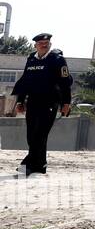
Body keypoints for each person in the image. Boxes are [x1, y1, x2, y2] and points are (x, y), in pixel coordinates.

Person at [11, 33, 72, 176]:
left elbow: (65, 84)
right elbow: (25, 81)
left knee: (40, 135)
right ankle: (40, 166)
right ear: (35, 45)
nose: (44, 45)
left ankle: (27, 165)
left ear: (49, 44)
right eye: (41, 43)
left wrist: (66, 103)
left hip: (50, 102)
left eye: (46, 43)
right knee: (31, 135)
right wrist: (20, 100)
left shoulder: (57, 60)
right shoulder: (31, 59)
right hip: (33, 101)